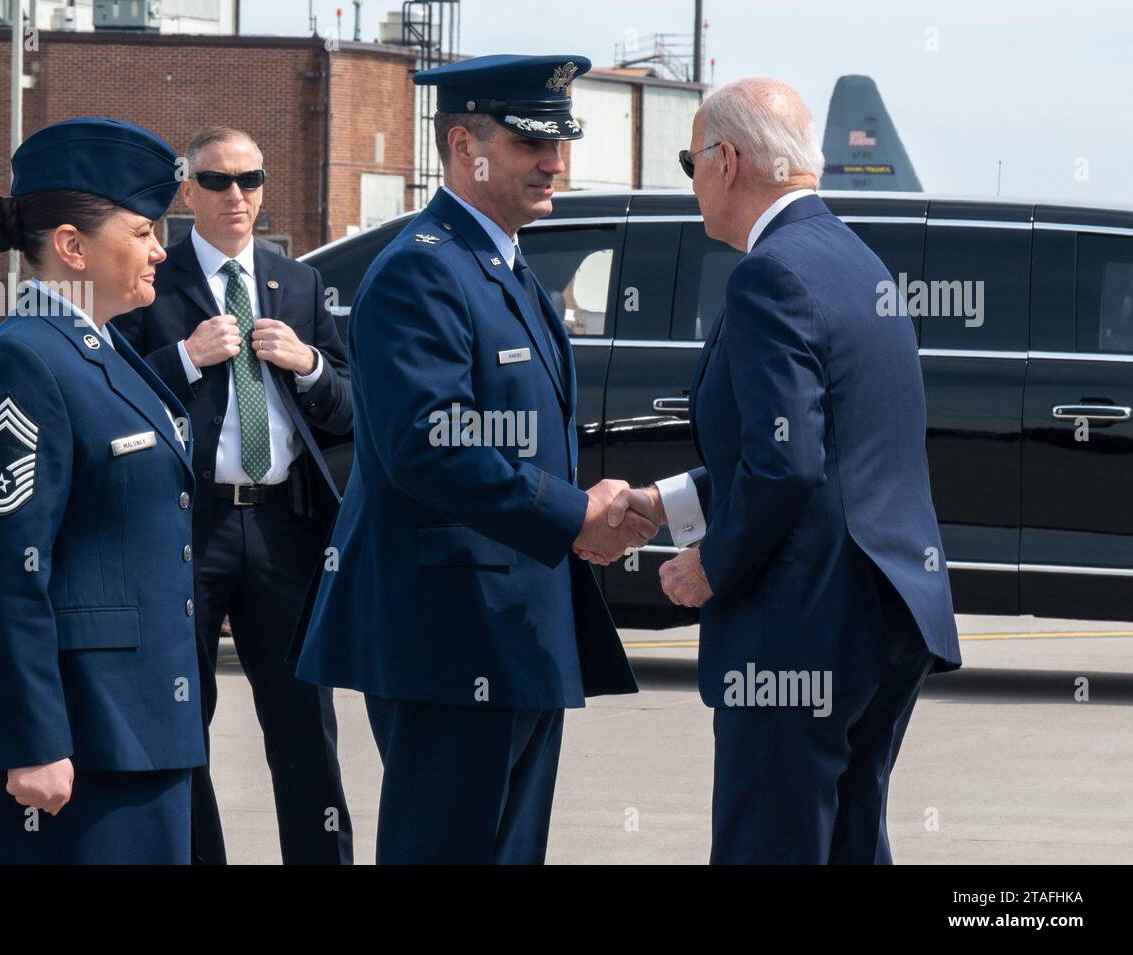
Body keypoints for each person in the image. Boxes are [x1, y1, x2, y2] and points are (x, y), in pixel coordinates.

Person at [292, 55, 649, 865]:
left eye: (561, 142)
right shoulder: (424, 268)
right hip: (450, 637)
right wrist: (572, 515)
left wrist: (578, 522)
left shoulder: (501, 264)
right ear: (465, 145)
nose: (554, 162)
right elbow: (431, 443)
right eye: (532, 142)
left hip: (516, 630)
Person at [603, 77, 962, 864]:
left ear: (726, 160)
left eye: (689, 159)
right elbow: (815, 453)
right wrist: (660, 504)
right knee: (849, 844)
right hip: (883, 615)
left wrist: (714, 563)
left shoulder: (772, 275)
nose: (690, 179)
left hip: (800, 627)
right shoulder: (855, 260)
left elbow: (788, 464)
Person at [0, 117, 205, 864]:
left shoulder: (102, 348)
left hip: (136, 728)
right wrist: (32, 741)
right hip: (75, 747)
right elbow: (3, 570)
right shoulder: (24, 361)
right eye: (144, 229)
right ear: (71, 245)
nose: (160, 249)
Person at [111, 127, 354, 865]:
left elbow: (349, 408)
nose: (236, 195)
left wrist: (309, 363)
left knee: (305, 725)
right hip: (194, 525)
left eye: (250, 179)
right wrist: (182, 358)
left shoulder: (299, 284)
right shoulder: (155, 278)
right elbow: (113, 392)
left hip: (283, 523)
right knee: (184, 718)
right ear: (187, 191)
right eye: (217, 181)